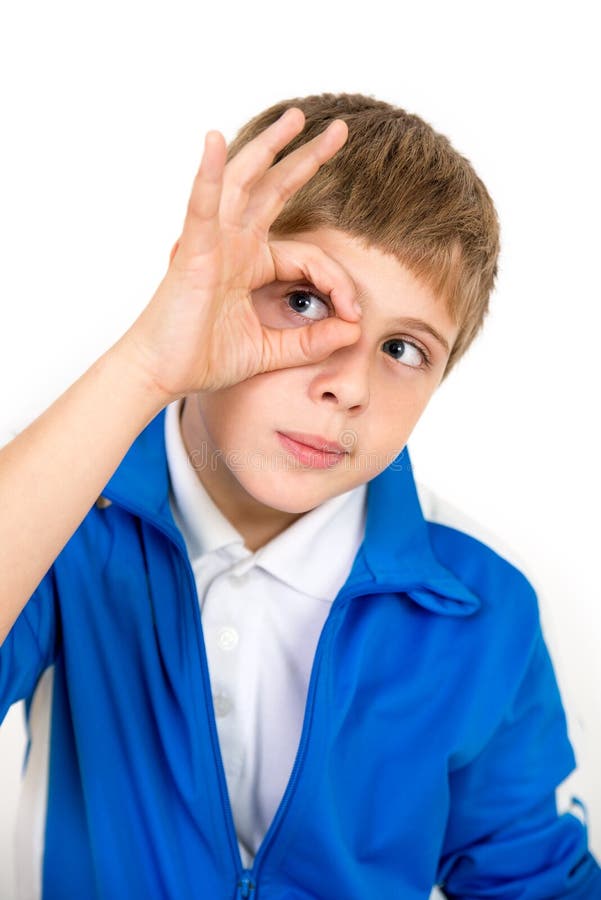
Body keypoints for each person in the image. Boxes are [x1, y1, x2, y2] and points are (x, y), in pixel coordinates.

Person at [0, 92, 599, 900]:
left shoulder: (479, 606)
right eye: (303, 301)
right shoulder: (69, 518)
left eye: (400, 347)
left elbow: (532, 881)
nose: (347, 383)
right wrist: (146, 366)